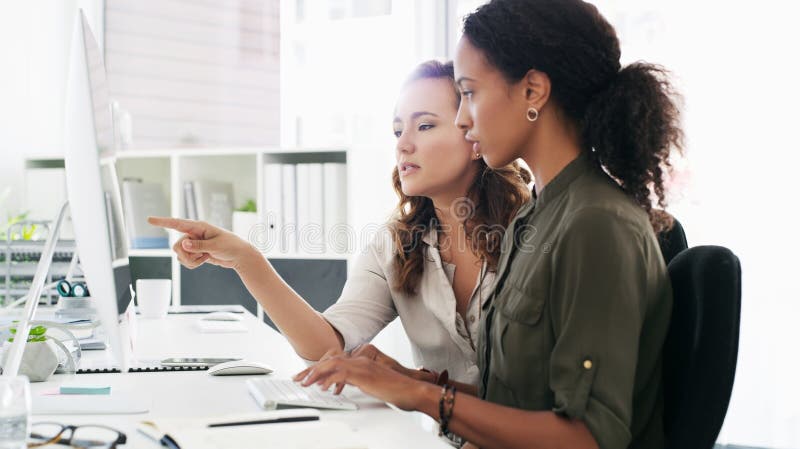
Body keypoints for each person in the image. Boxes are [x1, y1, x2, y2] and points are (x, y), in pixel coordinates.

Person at [294, 1, 683, 448]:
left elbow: (587, 437)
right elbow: (521, 402)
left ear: (533, 91)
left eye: (470, 93)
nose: (462, 117)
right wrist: (408, 379)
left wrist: (425, 397)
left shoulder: (596, 225)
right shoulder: (535, 216)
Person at [148, 60, 532, 387]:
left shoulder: (536, 231)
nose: (402, 144)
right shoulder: (394, 246)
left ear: (475, 133)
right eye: (398, 131)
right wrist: (247, 260)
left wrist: (414, 383)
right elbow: (326, 347)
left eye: (425, 126)